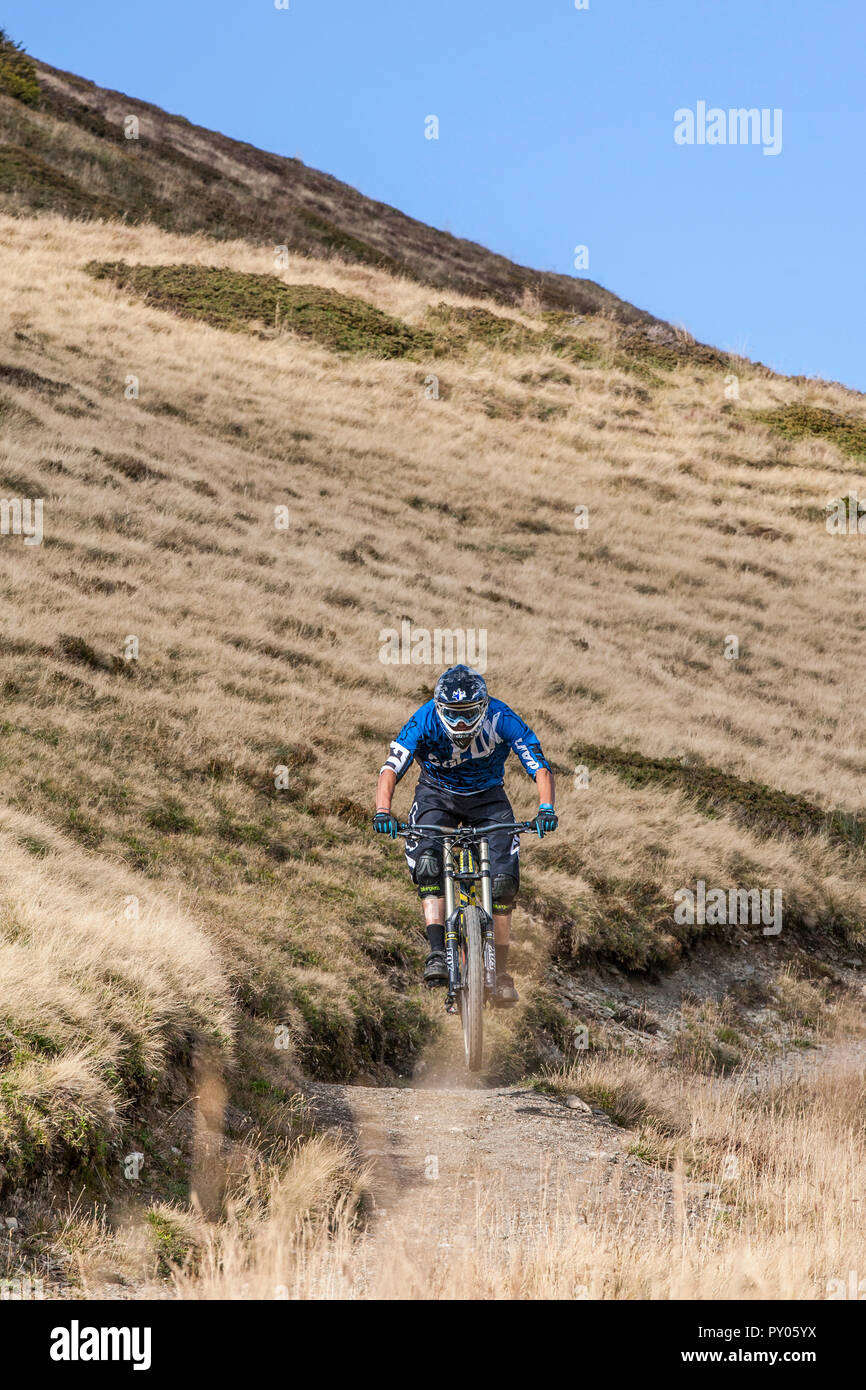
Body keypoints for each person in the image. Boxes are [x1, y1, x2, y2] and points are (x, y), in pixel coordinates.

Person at [373, 665, 557, 1005]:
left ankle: (500, 973)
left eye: (469, 714)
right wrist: (383, 811)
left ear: (484, 708)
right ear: (440, 709)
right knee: (429, 864)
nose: (460, 724)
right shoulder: (424, 719)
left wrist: (546, 808)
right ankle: (436, 953)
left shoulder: (502, 718)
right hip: (436, 796)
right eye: (453, 715)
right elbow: (391, 768)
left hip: (488, 799)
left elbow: (539, 766)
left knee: (503, 885)